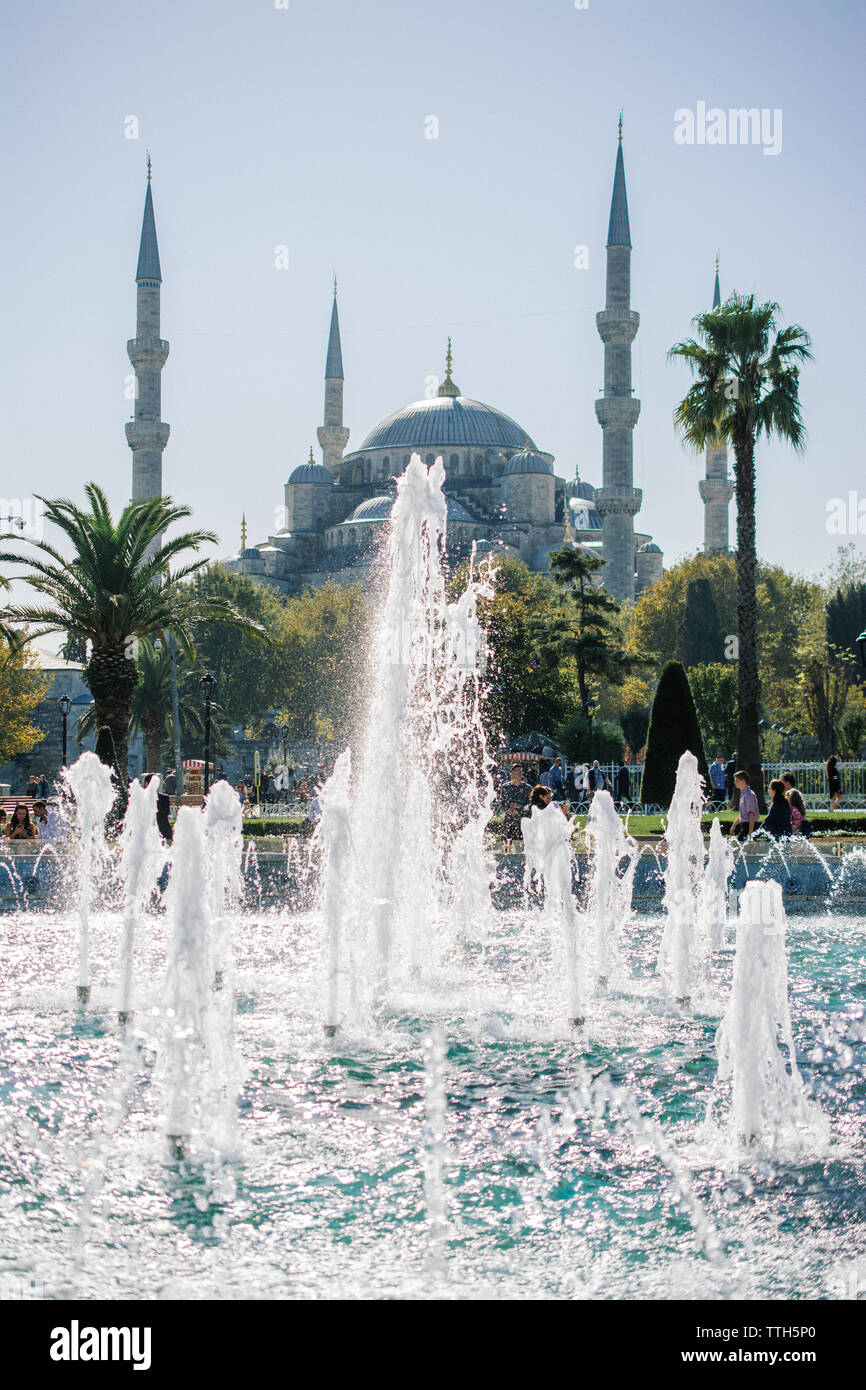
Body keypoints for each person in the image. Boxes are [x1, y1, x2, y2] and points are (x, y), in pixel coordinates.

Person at [501, 763, 531, 851]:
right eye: (517, 771)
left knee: (521, 848)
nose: (519, 773)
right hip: (509, 820)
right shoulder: (506, 787)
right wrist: (507, 809)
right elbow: (501, 802)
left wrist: (520, 807)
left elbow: (531, 804)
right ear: (511, 773)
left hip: (522, 821)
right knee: (506, 847)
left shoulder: (527, 788)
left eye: (521, 771)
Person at [731, 771, 758, 841]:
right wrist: (734, 825)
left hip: (748, 826)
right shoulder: (743, 793)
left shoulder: (749, 795)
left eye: (736, 780)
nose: (735, 782)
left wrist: (750, 834)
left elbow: (751, 814)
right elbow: (743, 814)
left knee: (741, 848)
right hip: (745, 826)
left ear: (743, 781)